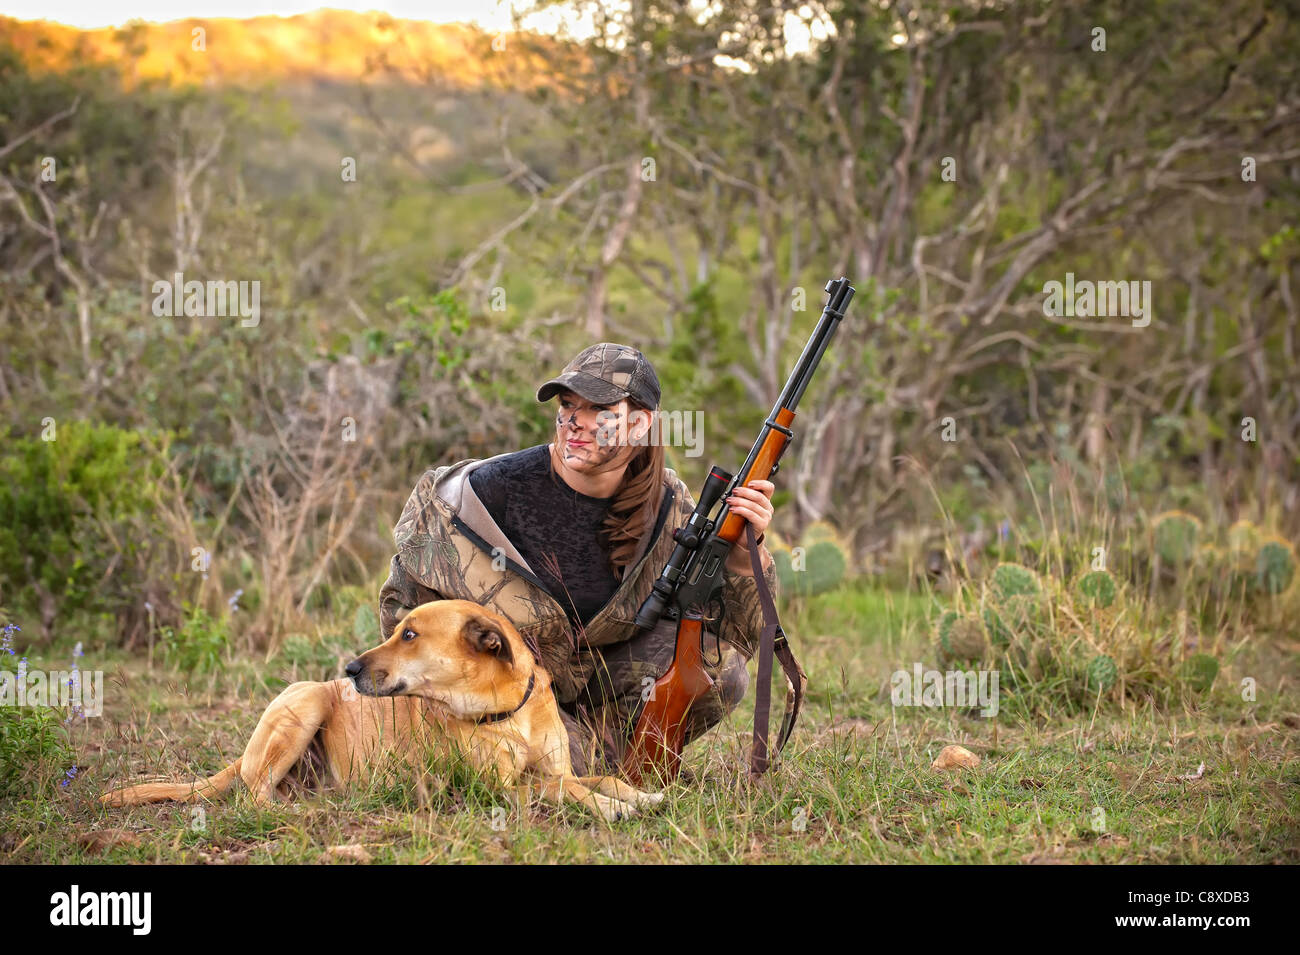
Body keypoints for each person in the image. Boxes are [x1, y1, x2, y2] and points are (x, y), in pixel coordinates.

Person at [378, 342, 778, 777]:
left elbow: (743, 632)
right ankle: (580, 766)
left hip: (593, 690)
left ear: (641, 424)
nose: (575, 423)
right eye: (569, 405)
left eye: (598, 410)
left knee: (721, 667)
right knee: (560, 764)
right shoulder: (484, 494)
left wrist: (745, 554)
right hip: (496, 700)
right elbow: (402, 611)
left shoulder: (668, 508)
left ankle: (601, 759)